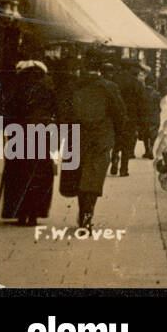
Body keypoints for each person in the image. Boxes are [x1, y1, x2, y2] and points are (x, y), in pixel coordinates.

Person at [58, 51, 131, 232]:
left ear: (84, 66)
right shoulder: (109, 87)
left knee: (81, 175)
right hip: (100, 138)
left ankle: (83, 211)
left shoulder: (72, 86)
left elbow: (63, 112)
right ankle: (87, 215)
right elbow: (120, 114)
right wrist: (119, 136)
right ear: (100, 68)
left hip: (76, 137)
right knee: (94, 178)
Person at [0, 61, 58, 226]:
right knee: (39, 174)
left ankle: (20, 213)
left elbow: (7, 112)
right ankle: (35, 214)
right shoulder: (47, 88)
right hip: (41, 136)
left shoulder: (17, 88)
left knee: (18, 173)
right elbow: (55, 110)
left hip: (19, 136)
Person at [111, 61, 147, 177]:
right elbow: (142, 104)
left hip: (117, 116)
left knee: (117, 139)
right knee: (127, 142)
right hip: (131, 117)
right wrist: (141, 122)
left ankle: (115, 157)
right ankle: (123, 168)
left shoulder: (115, 80)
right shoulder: (137, 84)